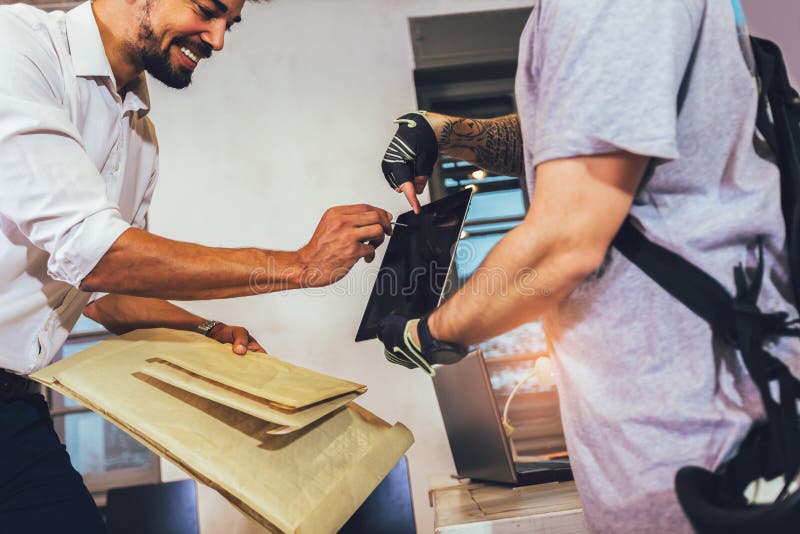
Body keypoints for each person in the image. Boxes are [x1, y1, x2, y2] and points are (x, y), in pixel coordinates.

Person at [377, 0, 800, 531]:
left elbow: (563, 244)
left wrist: (429, 331)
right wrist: (443, 132)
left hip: (700, 451)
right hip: (668, 444)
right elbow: (576, 135)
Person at [0, 0, 391, 531]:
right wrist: (300, 265)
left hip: (15, 410)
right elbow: (97, 253)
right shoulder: (15, 45)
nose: (219, 38)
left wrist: (202, 328)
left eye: (229, 23)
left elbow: (100, 290)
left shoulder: (140, 137)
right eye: (206, 10)